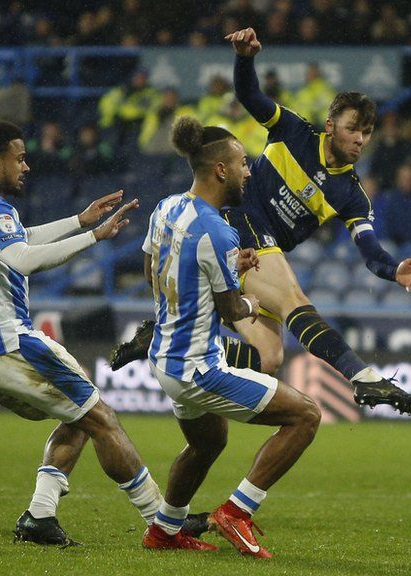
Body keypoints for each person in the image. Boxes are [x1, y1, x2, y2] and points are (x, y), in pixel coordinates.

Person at [111, 27, 411, 416]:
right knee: (294, 300)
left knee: (268, 356)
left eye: (366, 132)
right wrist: (245, 59)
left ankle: (160, 340)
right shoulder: (294, 131)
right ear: (330, 126)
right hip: (236, 222)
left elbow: (369, 250)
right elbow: (249, 95)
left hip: (265, 249)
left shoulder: (351, 194)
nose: (360, 139)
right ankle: (362, 377)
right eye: (352, 129)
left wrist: (393, 270)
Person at [0, 121, 164, 546]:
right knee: (102, 417)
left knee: (79, 413)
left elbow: (21, 239)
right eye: (19, 158)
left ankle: (40, 515)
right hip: (9, 342)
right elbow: (22, 258)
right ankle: (164, 522)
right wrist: (94, 235)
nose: (27, 166)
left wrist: (78, 220)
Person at [140, 117, 321, 557]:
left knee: (208, 442)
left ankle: (163, 531)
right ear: (220, 170)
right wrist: (254, 303)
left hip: (164, 357)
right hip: (199, 369)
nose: (248, 171)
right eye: (242, 163)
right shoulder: (219, 231)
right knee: (306, 416)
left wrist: (224, 269)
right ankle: (236, 512)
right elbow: (232, 311)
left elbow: (153, 270)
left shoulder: (166, 207)